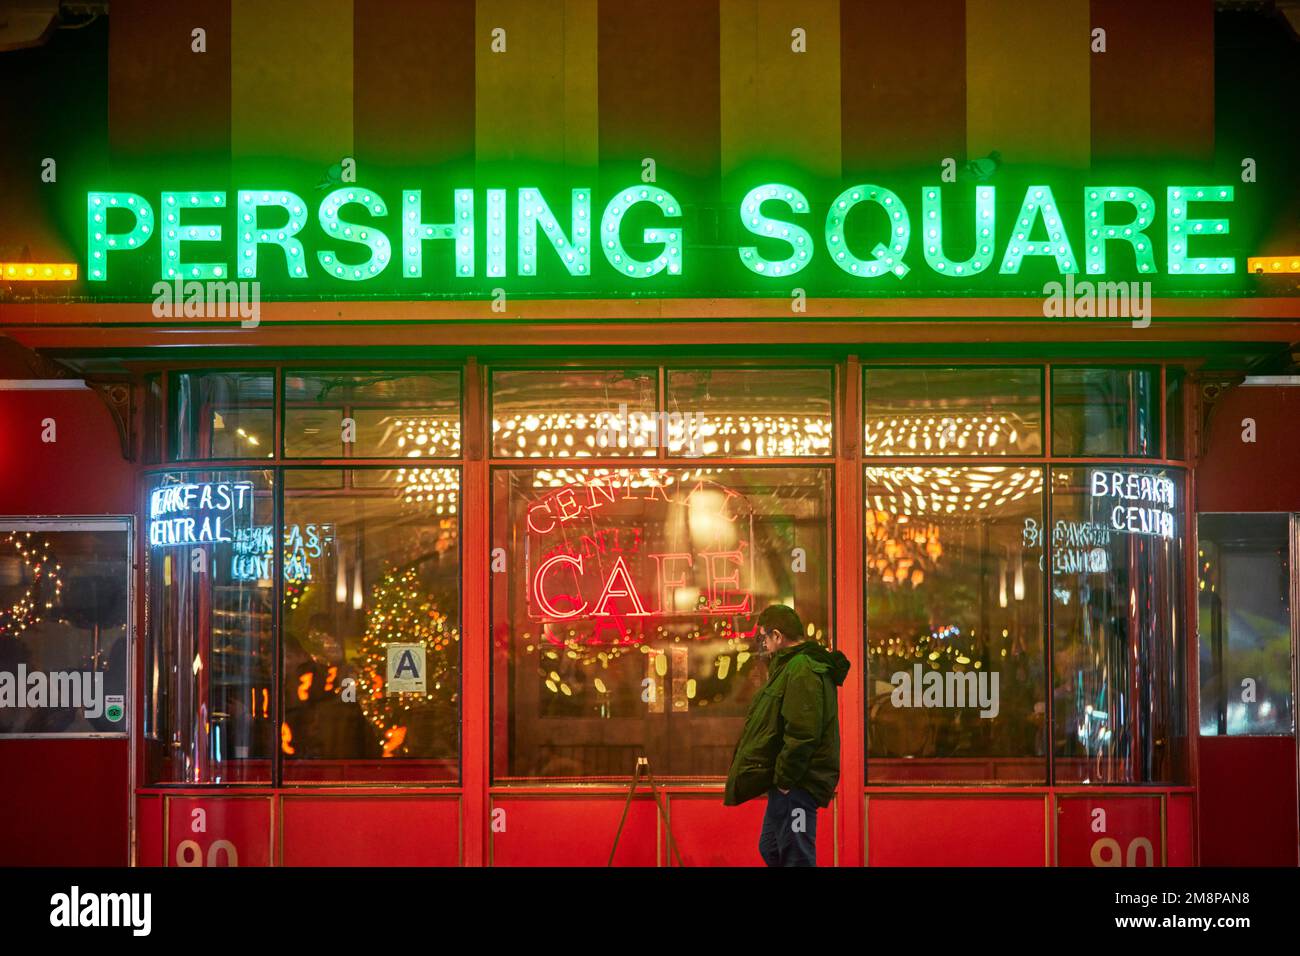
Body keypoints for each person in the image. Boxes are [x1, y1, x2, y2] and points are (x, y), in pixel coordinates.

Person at [723, 604, 850, 867]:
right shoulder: (792, 666)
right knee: (771, 848)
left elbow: (803, 733)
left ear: (778, 636)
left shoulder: (801, 669)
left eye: (764, 637)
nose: (763, 643)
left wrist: (785, 780)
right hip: (790, 785)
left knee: (797, 858)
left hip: (796, 785)